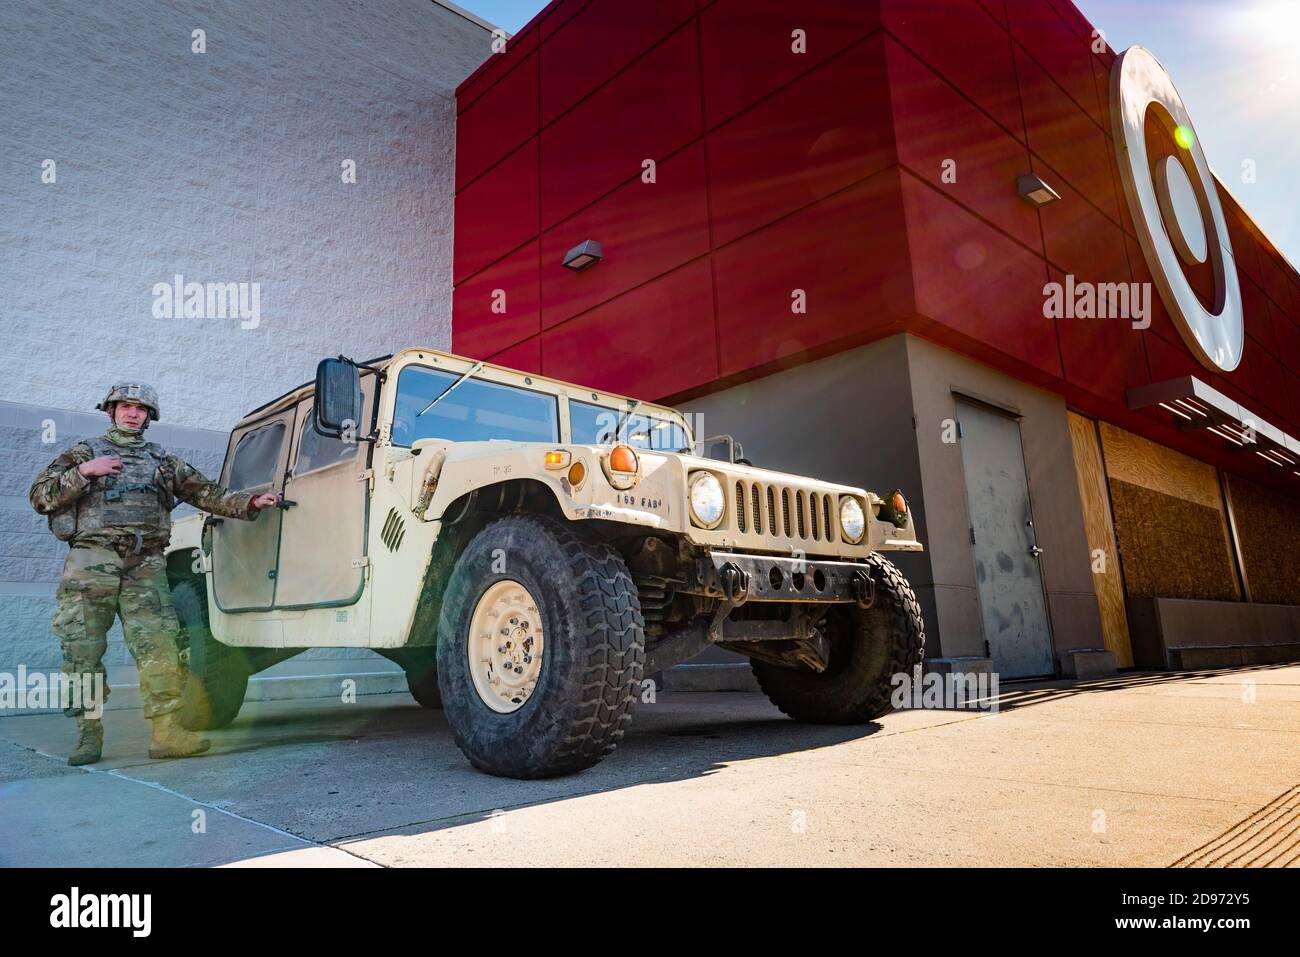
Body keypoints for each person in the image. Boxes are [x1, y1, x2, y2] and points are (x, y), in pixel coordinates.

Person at [29, 383, 282, 765]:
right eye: (126, 407)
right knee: (82, 648)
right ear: (111, 411)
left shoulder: (163, 461)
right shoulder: (84, 452)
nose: (133, 413)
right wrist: (83, 472)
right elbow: (40, 495)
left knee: (160, 648)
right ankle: (88, 733)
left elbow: (206, 493)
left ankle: (166, 733)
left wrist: (249, 502)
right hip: (91, 560)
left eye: (140, 409)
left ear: (150, 417)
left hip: (144, 563)